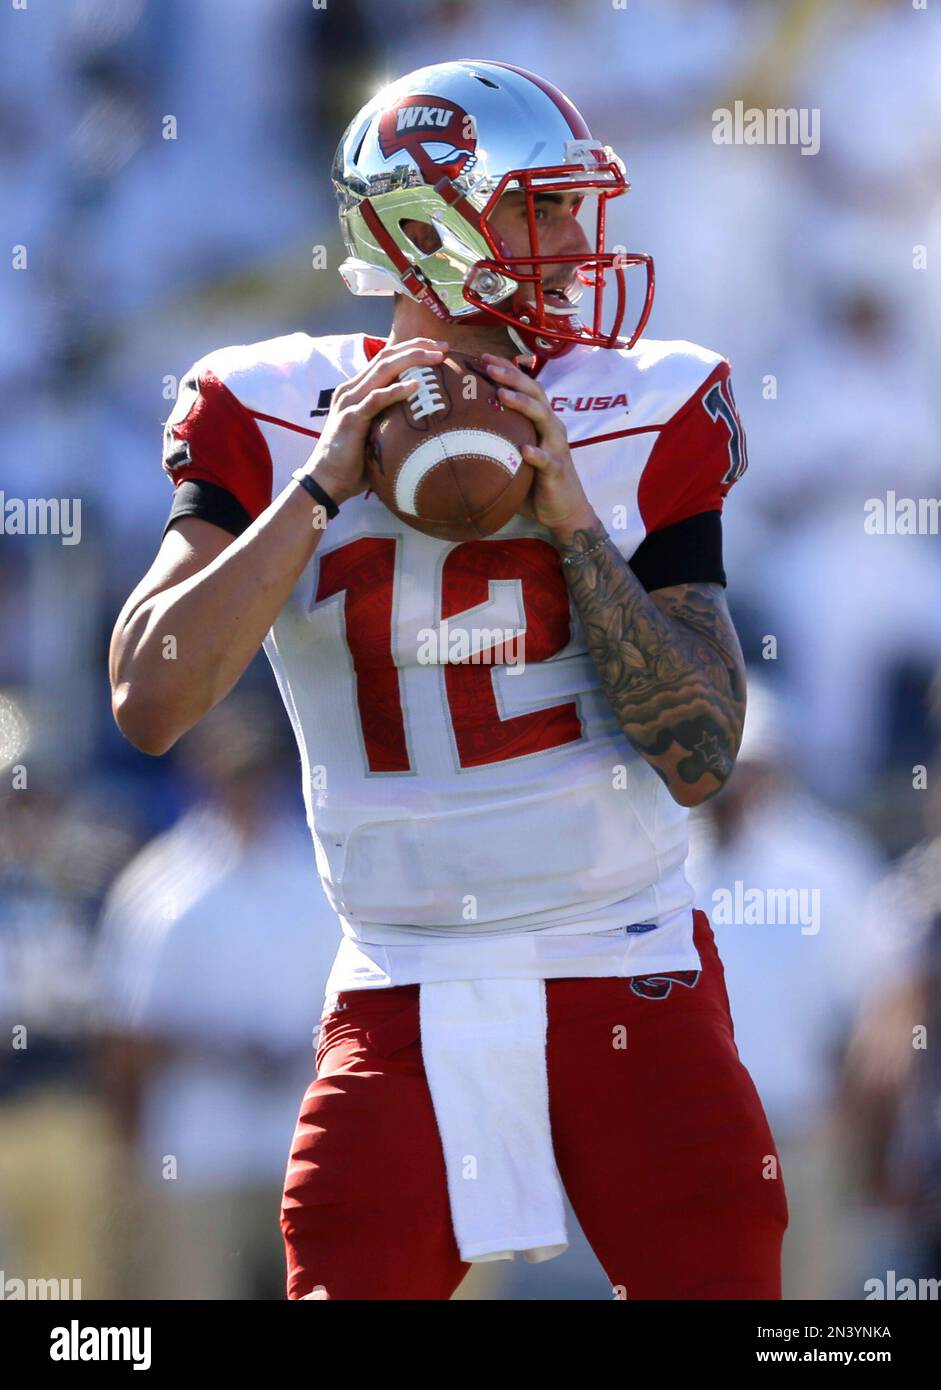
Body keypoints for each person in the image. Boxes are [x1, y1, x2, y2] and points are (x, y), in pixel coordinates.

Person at [109, 59, 787, 1300]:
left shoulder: (640, 403)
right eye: (540, 206)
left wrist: (574, 525)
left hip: (623, 952)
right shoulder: (264, 410)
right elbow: (150, 700)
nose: (578, 239)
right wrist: (316, 490)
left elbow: (699, 756)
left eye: (576, 205)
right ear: (427, 226)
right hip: (399, 969)